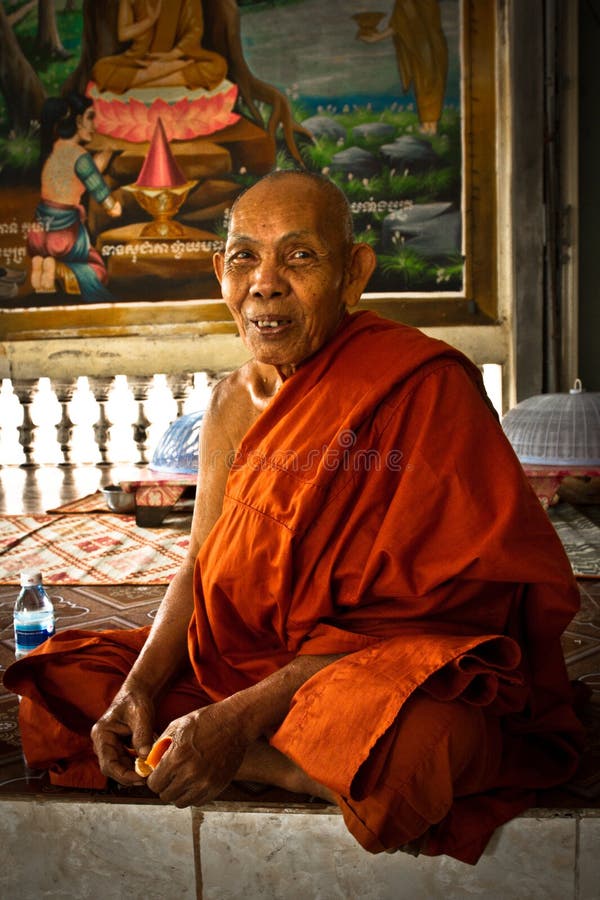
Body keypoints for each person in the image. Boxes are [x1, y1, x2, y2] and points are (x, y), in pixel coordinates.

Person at [5, 171, 584, 865]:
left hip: (358, 670)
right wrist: (142, 687)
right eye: (245, 256)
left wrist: (236, 723)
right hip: (240, 661)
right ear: (221, 270)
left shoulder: (424, 387)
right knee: (62, 683)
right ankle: (285, 757)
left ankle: (254, 758)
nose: (266, 283)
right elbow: (199, 564)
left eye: (301, 256)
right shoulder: (226, 405)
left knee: (431, 742)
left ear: (353, 272)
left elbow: (442, 617)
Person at [27, 93, 122, 300]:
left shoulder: (53, 149)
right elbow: (108, 203)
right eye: (90, 117)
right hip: (64, 237)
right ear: (78, 120)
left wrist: (96, 164)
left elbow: (70, 177)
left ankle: (44, 263)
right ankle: (61, 266)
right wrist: (115, 205)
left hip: (39, 232)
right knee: (98, 271)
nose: (94, 126)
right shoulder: (80, 156)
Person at [91, 0, 227, 94]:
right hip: (139, 58)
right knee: (101, 70)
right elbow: (123, 34)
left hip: (178, 56)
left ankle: (147, 78)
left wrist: (173, 54)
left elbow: (195, 30)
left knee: (218, 66)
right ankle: (163, 73)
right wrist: (149, 21)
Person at [357, 0, 448, 135]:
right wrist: (378, 37)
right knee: (424, 83)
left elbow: (402, 23)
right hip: (425, 46)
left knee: (430, 82)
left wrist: (378, 37)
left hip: (430, 46)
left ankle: (431, 126)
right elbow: (401, 23)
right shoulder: (406, 3)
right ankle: (428, 126)